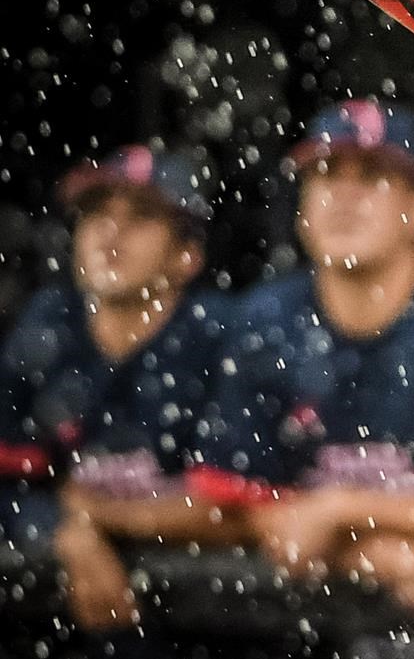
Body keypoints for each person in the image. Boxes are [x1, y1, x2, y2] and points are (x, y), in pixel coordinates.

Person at [194, 100, 414, 641]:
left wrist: (343, 510)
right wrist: (384, 554)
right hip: (294, 630)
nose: (343, 195)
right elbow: (221, 507)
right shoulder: (264, 322)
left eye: (373, 177)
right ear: (301, 211)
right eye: (324, 176)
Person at [0, 147, 239, 641]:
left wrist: (96, 515)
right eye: (96, 215)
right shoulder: (48, 324)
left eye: (141, 217)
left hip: (217, 613)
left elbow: (244, 508)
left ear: (186, 255)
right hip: (66, 610)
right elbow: (10, 483)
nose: (111, 232)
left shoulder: (220, 335)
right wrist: (68, 532)